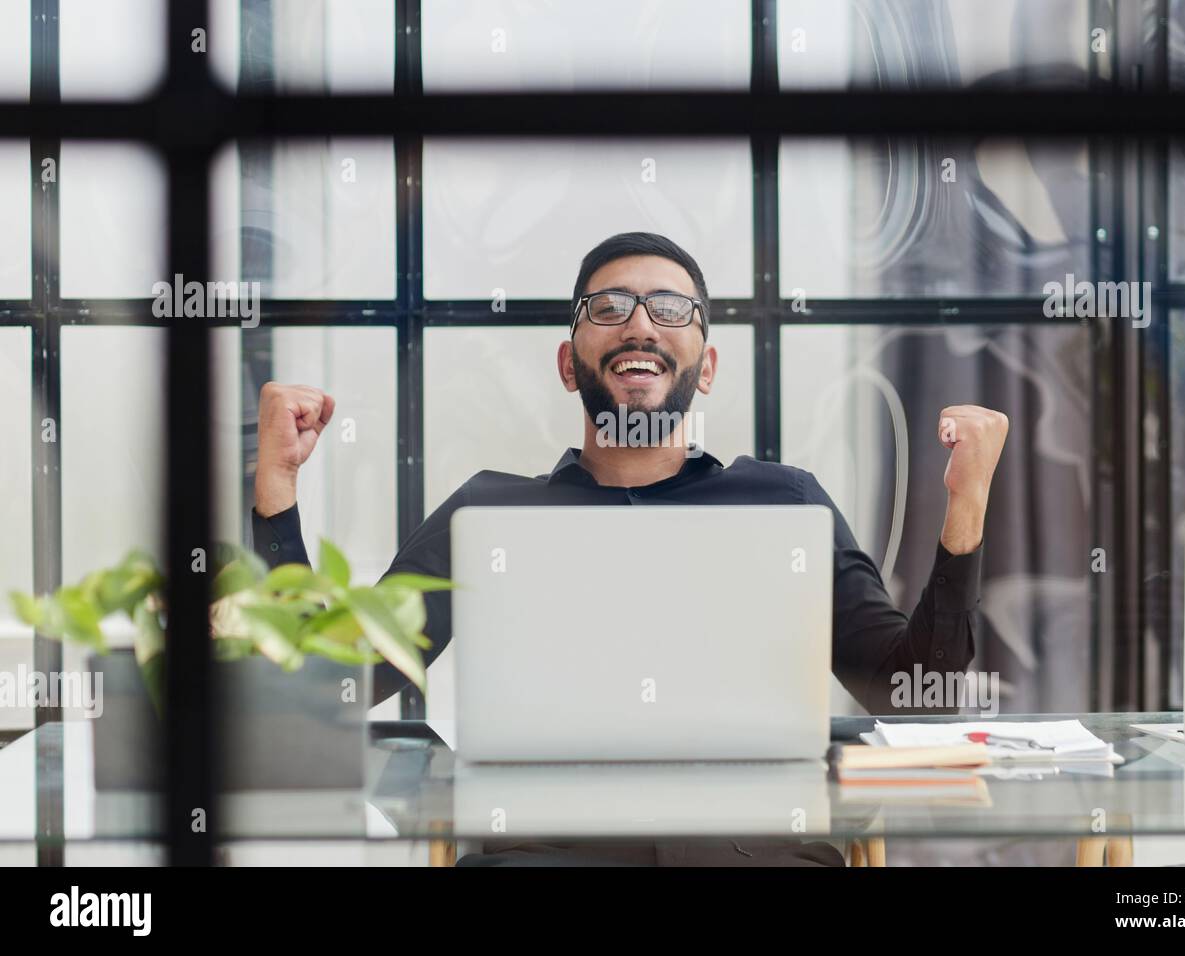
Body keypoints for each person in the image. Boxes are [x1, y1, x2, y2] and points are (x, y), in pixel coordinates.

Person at [249, 231, 1010, 866]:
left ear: (705, 366)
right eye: (608, 308)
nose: (640, 325)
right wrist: (277, 495)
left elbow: (916, 694)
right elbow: (332, 688)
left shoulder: (785, 504)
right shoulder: (487, 514)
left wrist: (967, 503)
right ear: (568, 360)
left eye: (671, 309)